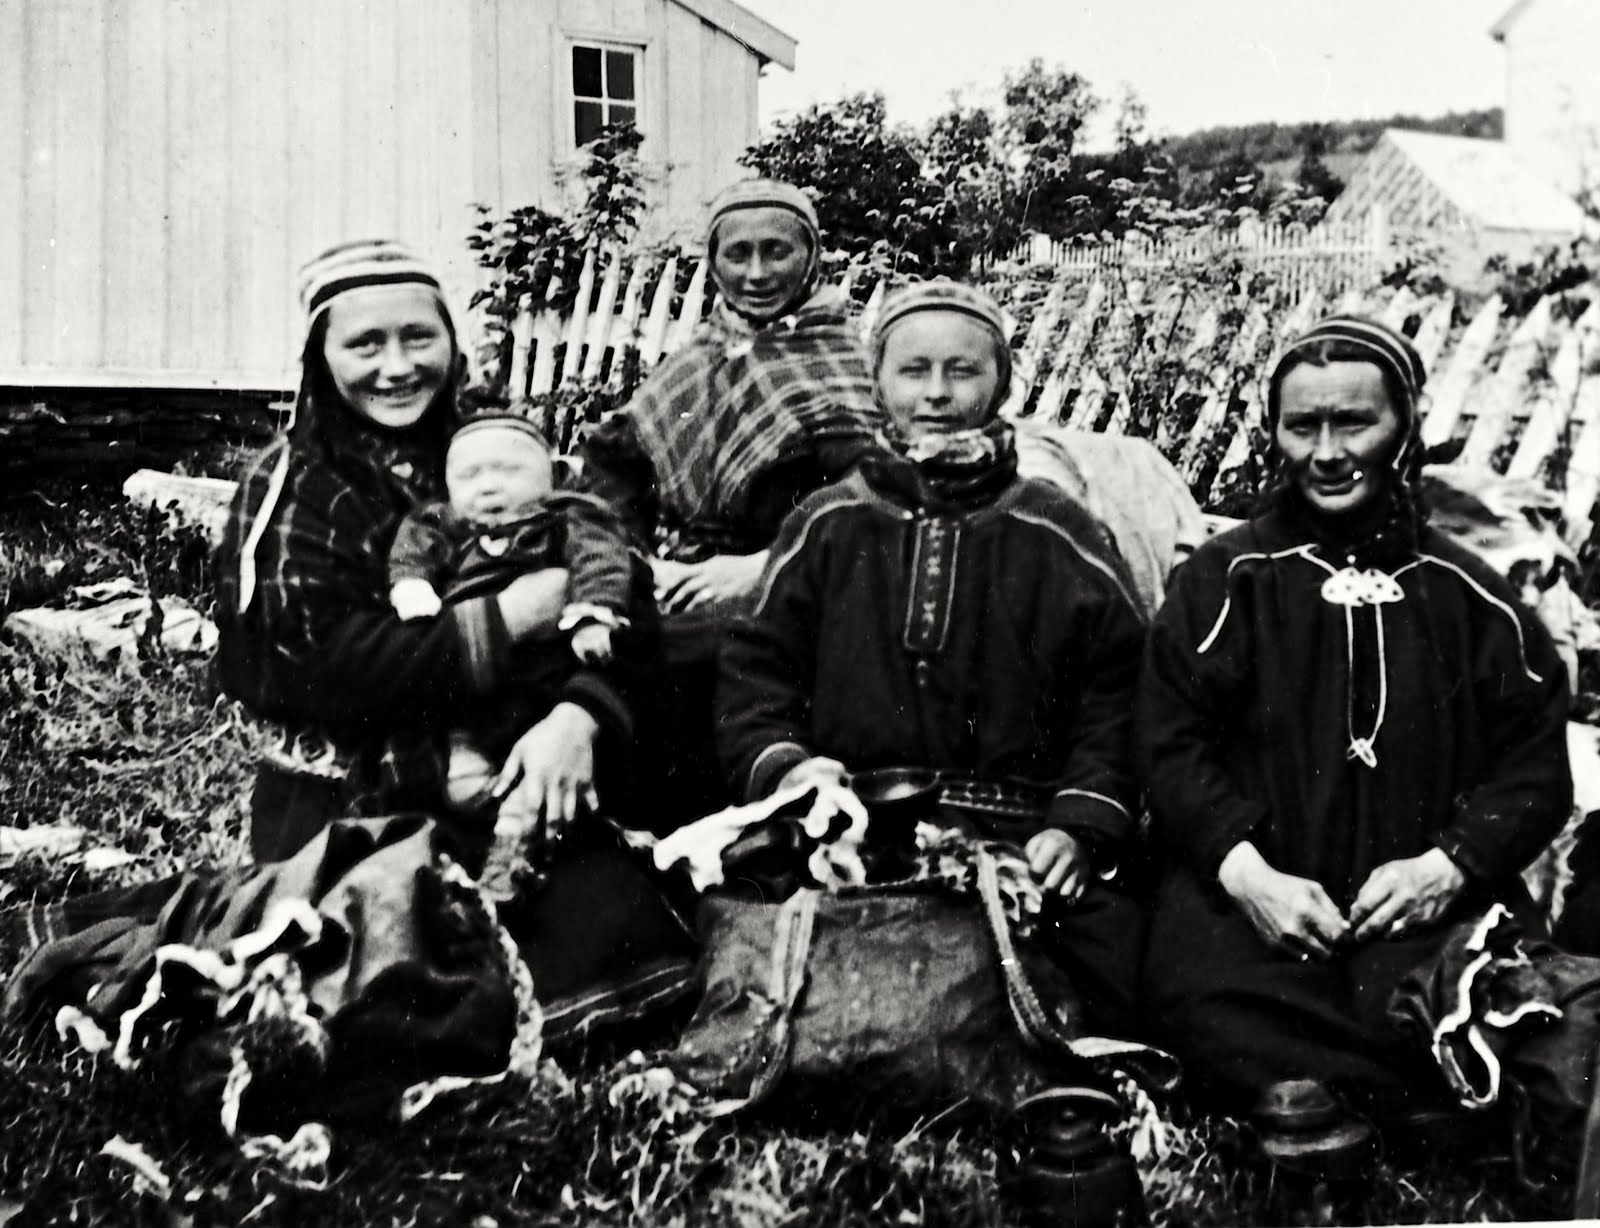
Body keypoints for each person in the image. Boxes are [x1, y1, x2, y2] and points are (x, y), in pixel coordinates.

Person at [716, 281, 1151, 1215]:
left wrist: (1080, 824)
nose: (939, 393)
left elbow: (1119, 698)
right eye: (914, 370)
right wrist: (790, 767)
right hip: (850, 827)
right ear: (876, 382)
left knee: (1110, 964)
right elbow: (756, 672)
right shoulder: (827, 522)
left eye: (964, 370)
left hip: (1017, 829)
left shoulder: (1057, 530)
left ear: (1003, 381)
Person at [213, 239, 694, 1044]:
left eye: (418, 337)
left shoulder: (490, 450)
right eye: (365, 344)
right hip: (357, 796)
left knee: (636, 929)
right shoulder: (294, 487)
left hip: (515, 759)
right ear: (319, 356)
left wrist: (577, 716)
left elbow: (617, 577)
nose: (397, 366)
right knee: (411, 980)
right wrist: (509, 618)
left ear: (452, 342)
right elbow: (323, 668)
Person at [1137, 316, 1574, 1168]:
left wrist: (1447, 867)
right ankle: (1422, 1102)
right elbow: (1167, 743)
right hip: (1261, 913)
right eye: (1303, 426)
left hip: (1417, 911)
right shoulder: (1224, 581)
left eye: (1354, 423)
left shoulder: (1473, 598)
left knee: (1466, 984)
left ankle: (1334, 1099)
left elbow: (1534, 771)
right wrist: (1247, 875)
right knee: (1197, 999)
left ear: (1404, 429)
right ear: (1274, 433)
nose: (1328, 452)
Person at [578, 178, 883, 823]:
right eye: (737, 253)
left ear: (812, 258)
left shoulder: (840, 359)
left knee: (697, 661)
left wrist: (762, 565)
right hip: (678, 574)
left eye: (777, 251)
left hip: (792, 583)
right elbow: (613, 467)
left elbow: (870, 493)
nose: (756, 273)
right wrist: (637, 561)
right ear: (713, 263)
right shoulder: (699, 355)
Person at [386, 413, 634, 814]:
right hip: (470, 658)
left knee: (548, 704)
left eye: (509, 470)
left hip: (544, 662)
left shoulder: (566, 517)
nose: (488, 485)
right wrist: (412, 585)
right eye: (469, 476)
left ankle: (530, 796)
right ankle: (466, 759)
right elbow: (412, 548)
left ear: (549, 478)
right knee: (446, 711)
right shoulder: (443, 523)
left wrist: (592, 612)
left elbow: (600, 559)